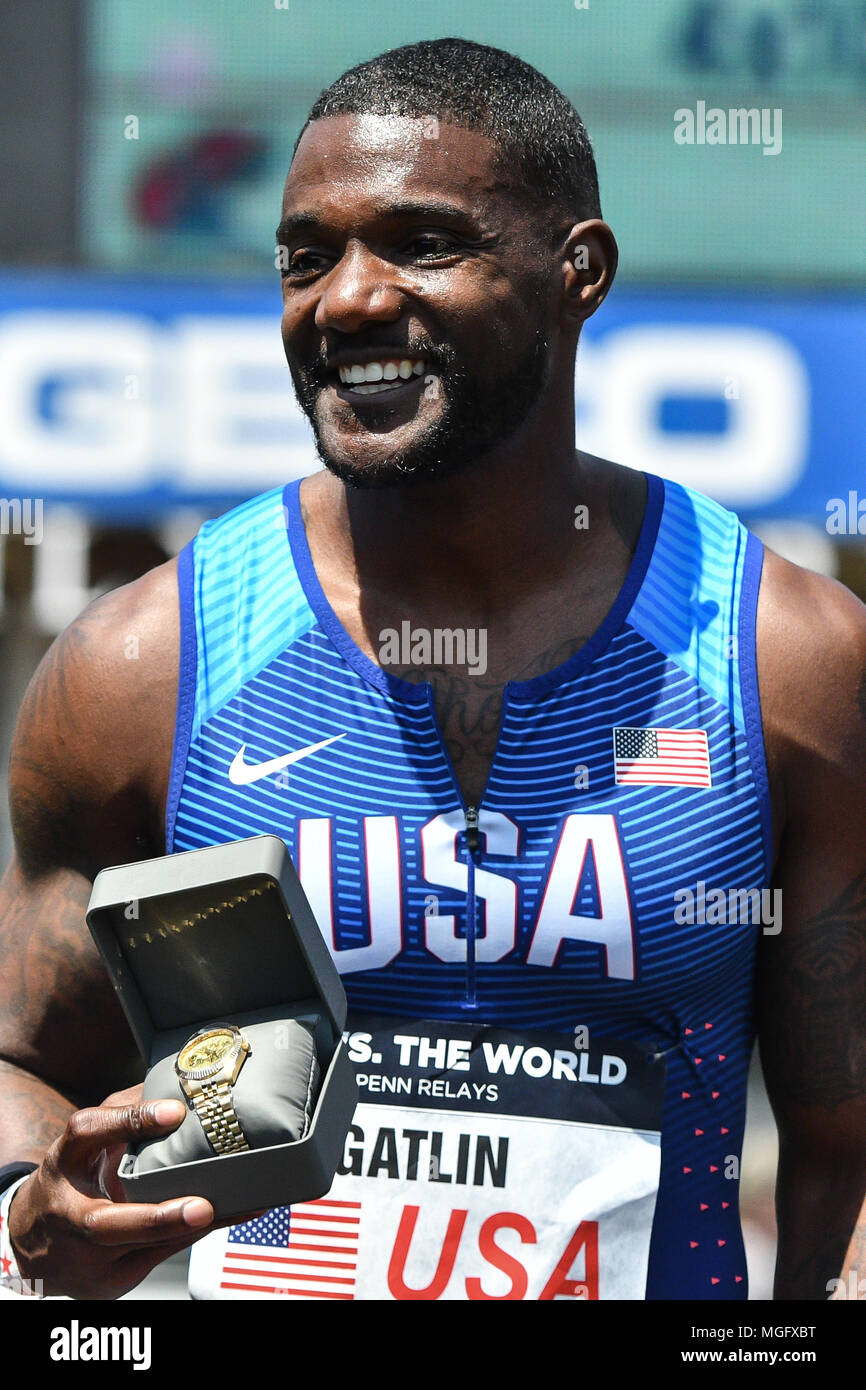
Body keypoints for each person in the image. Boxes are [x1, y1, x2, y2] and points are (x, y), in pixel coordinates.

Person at [1, 37, 865, 1301]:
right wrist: (37, 1205)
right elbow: (26, 1067)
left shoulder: (789, 664)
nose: (346, 300)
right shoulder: (136, 671)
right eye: (306, 257)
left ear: (580, 273)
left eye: (419, 242)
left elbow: (845, 1158)